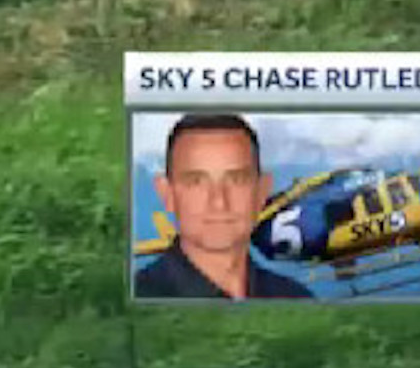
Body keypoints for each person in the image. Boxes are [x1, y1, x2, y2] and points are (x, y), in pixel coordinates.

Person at [134, 114, 313, 300]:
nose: (219, 201)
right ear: (167, 194)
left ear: (262, 191)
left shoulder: (297, 298)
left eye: (236, 180)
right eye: (196, 181)